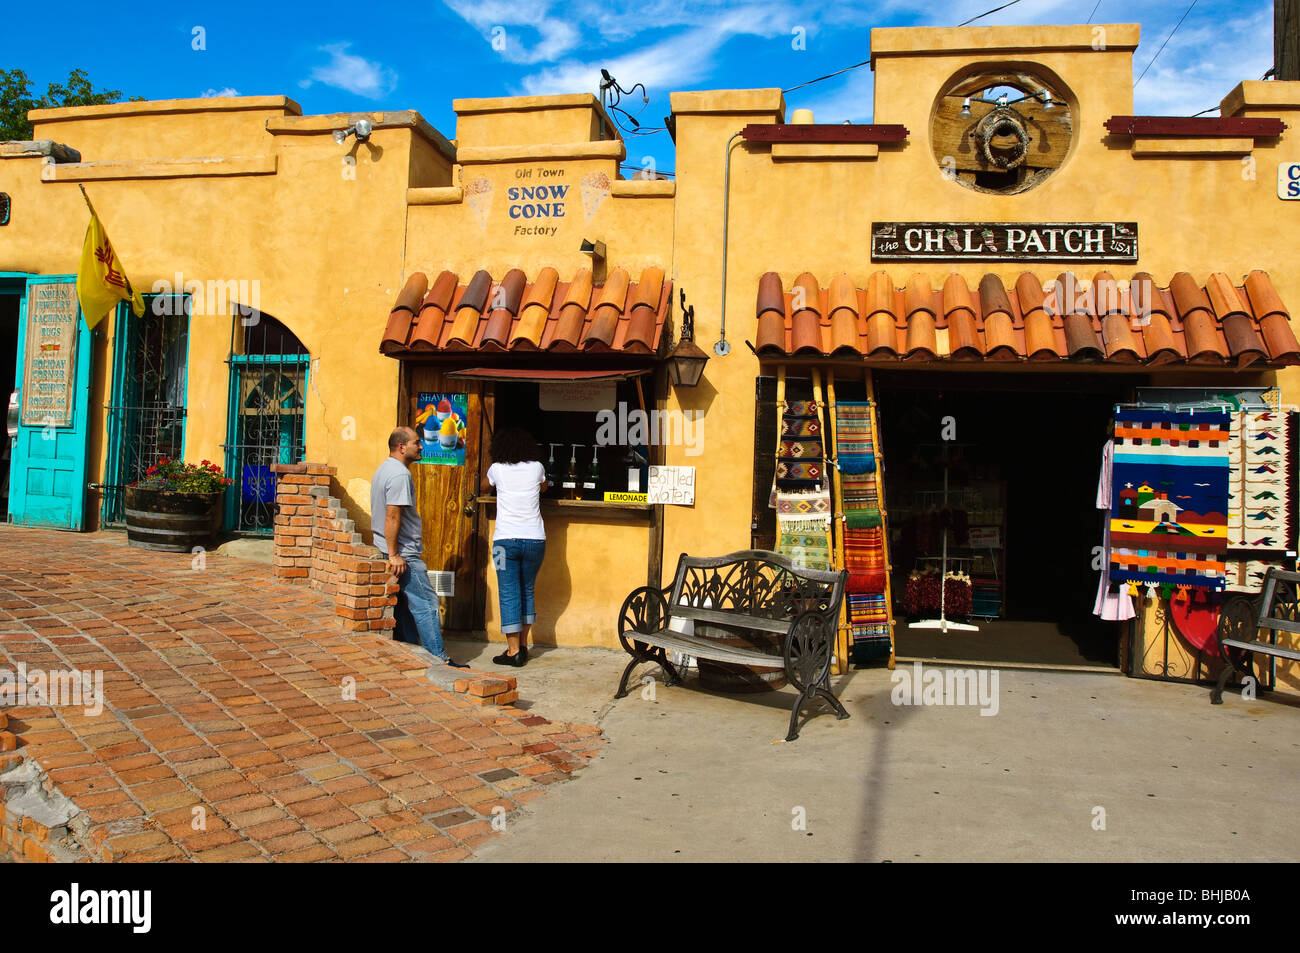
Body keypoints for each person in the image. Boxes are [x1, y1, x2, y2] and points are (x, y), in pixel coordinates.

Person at [371, 426, 466, 667]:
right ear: (402, 447)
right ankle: (439, 660)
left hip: (389, 549)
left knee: (404, 608)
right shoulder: (400, 475)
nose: (421, 446)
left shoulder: (384, 469)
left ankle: (411, 657)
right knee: (426, 603)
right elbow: (392, 516)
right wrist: (394, 555)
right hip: (404, 555)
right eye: (416, 442)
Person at [487, 428, 547, 667]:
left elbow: (483, 486)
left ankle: (513, 652)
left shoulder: (497, 469)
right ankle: (522, 645)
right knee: (527, 590)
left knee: (508, 592)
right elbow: (544, 487)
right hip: (535, 540)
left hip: (504, 542)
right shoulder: (537, 467)